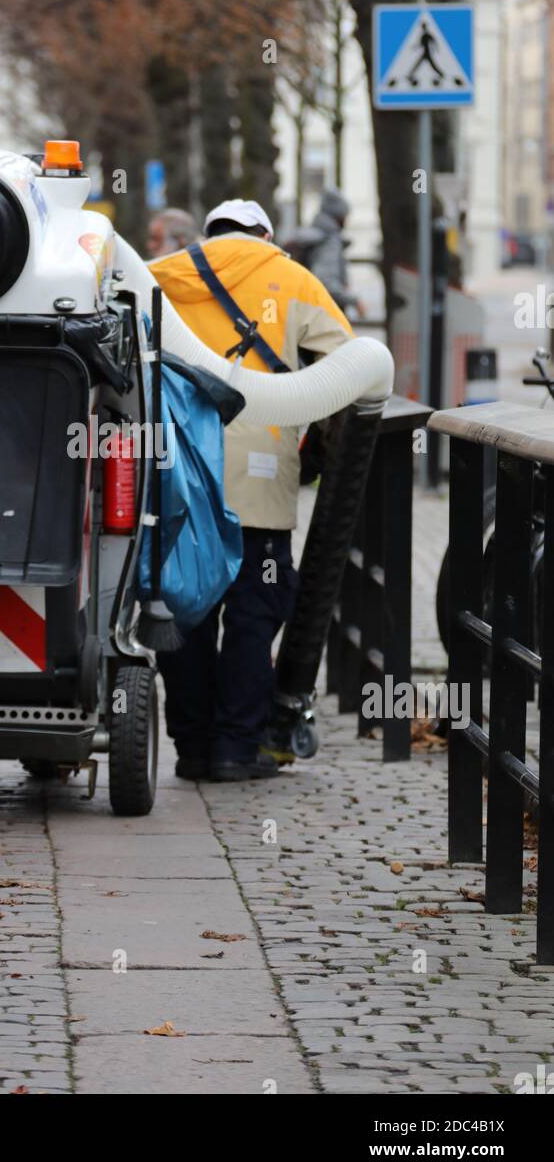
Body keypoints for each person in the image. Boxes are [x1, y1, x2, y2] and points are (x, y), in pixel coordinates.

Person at [150, 197, 352, 782]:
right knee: (253, 616)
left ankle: (190, 746)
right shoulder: (294, 278)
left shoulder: (166, 274)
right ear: (264, 234)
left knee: (183, 610)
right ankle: (236, 748)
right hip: (260, 479)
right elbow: (348, 368)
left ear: (210, 233)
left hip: (180, 478)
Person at [282, 187, 362, 317]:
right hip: (323, 314)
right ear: (339, 216)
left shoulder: (306, 236)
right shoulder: (329, 241)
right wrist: (354, 300)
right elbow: (326, 282)